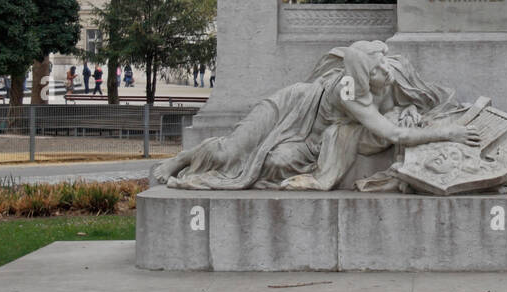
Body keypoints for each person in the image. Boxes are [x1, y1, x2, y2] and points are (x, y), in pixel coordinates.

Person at [150, 41, 484, 191]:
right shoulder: (351, 94)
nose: (389, 71)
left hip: (310, 137)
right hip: (290, 107)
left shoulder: (390, 70)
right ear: (365, 79)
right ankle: (181, 160)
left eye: (385, 62)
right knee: (230, 152)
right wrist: (448, 134)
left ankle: (206, 164)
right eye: (379, 70)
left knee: (270, 163)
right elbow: (395, 135)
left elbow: (430, 101)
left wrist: (417, 111)